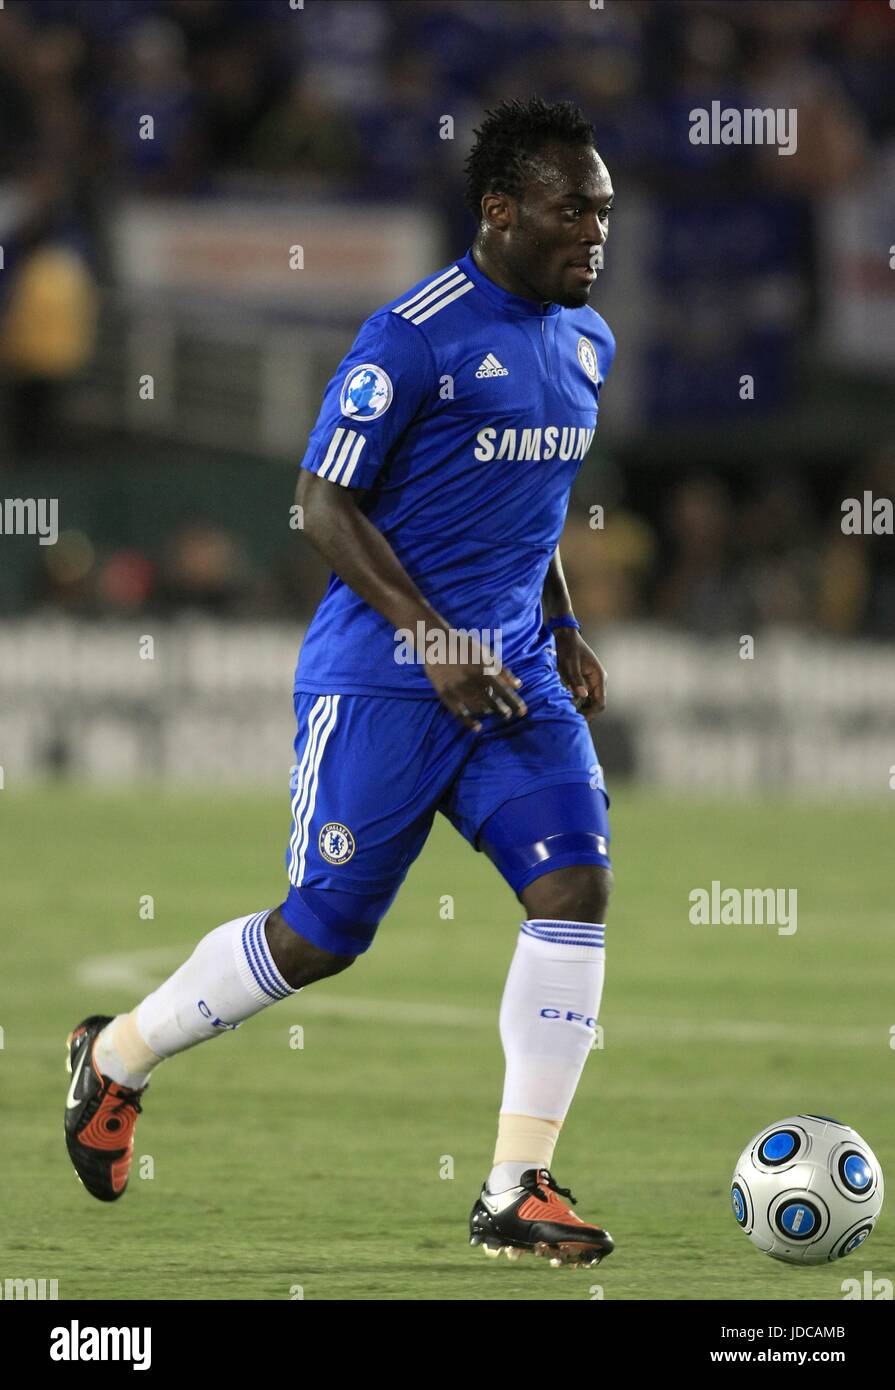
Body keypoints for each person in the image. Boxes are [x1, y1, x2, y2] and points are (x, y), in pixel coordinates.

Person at [64, 96, 617, 1270]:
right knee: (322, 935)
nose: (594, 234)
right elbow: (323, 503)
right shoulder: (411, 335)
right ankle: (119, 1054)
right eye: (574, 210)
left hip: (511, 668)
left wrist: (560, 625)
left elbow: (535, 509)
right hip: (383, 675)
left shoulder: (586, 342)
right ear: (501, 210)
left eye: (605, 212)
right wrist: (428, 640)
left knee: (573, 884)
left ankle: (516, 1186)